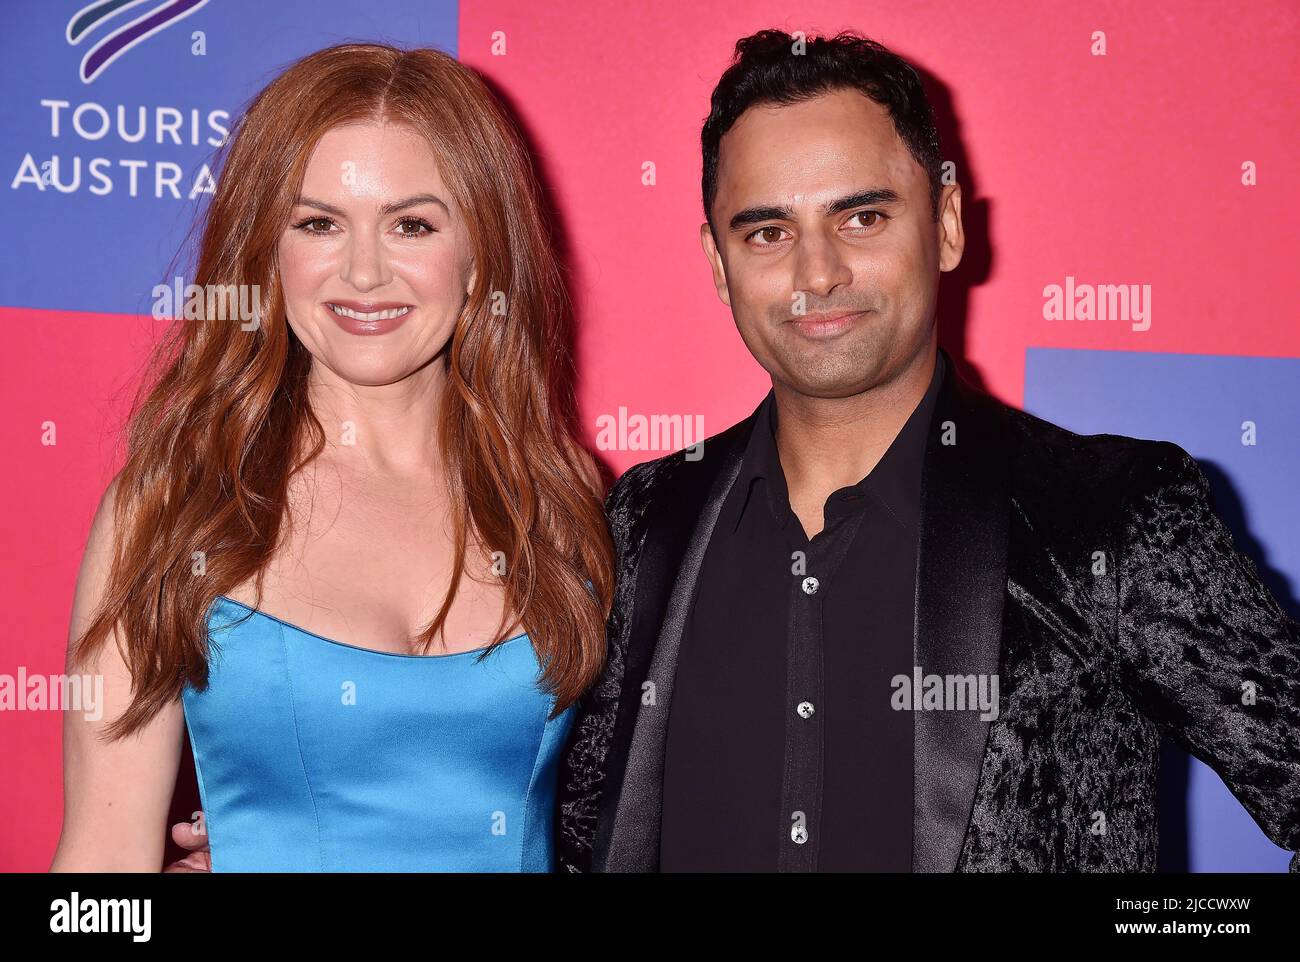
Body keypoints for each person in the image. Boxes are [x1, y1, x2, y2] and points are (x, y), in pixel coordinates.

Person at [554, 29, 1300, 872]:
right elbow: (581, 835)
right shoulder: (645, 515)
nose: (819, 272)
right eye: (767, 233)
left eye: (862, 217)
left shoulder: (1109, 514)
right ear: (719, 266)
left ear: (945, 224)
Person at [50, 43, 613, 873]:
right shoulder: (174, 507)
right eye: (318, 224)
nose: (363, 272)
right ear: (265, 255)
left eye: (412, 224)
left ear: (482, 255)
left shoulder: (558, 498)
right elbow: (99, 873)